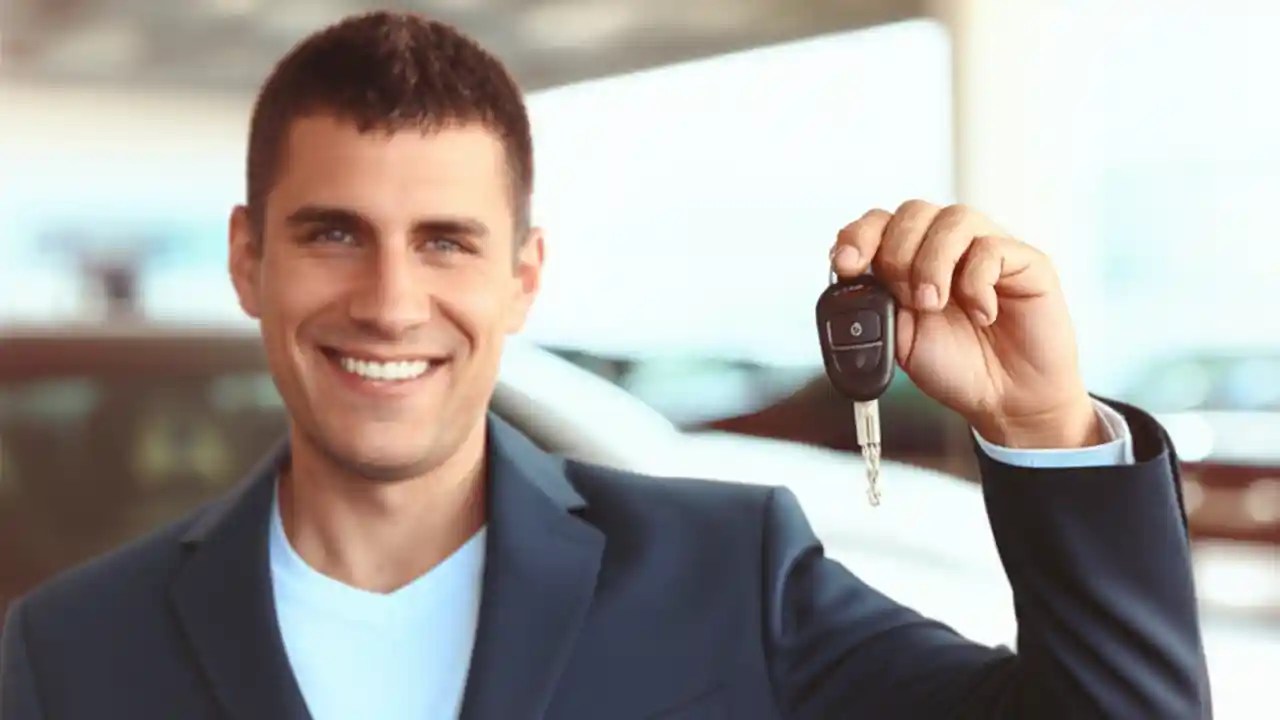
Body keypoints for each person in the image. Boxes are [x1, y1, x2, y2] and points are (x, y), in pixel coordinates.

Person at [0, 11, 1211, 720]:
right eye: (332, 235)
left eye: (445, 242)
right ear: (246, 258)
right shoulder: (65, 654)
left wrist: (1045, 423)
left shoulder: (728, 576)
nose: (387, 302)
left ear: (523, 276)